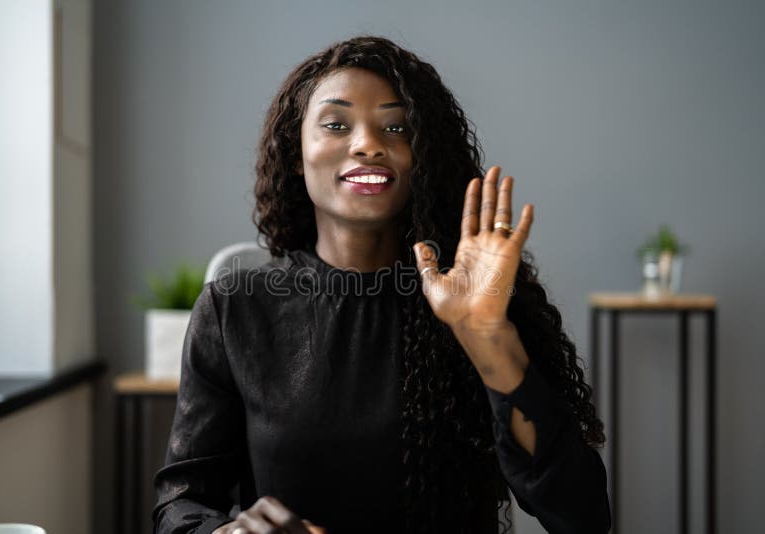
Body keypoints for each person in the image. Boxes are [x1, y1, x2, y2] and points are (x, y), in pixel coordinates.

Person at [153, 35, 611, 534]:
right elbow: (182, 505)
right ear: (296, 151)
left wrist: (487, 337)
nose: (368, 143)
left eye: (396, 127)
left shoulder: (470, 298)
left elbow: (582, 514)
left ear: (423, 156)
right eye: (336, 124)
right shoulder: (233, 310)